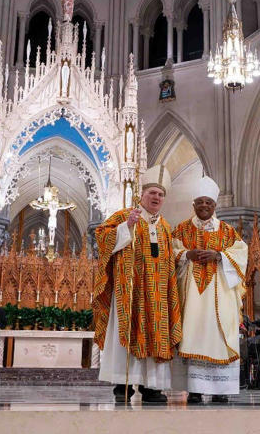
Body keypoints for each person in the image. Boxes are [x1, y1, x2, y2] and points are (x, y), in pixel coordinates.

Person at [93, 165, 182, 404]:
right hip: (129, 290)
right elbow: (102, 238)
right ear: (141, 195)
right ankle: (122, 386)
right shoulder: (125, 215)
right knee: (127, 332)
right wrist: (127, 227)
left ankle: (151, 387)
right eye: (152, 193)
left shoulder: (165, 226)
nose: (156, 197)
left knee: (156, 334)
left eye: (161, 194)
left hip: (157, 293)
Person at [171, 176, 248, 404]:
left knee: (219, 337)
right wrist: (187, 254)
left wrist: (219, 256)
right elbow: (170, 252)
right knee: (191, 335)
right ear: (193, 204)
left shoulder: (227, 231)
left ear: (215, 206)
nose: (204, 205)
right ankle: (194, 389)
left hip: (221, 297)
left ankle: (219, 389)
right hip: (191, 298)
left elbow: (241, 253)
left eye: (209, 202)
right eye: (200, 202)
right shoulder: (182, 229)